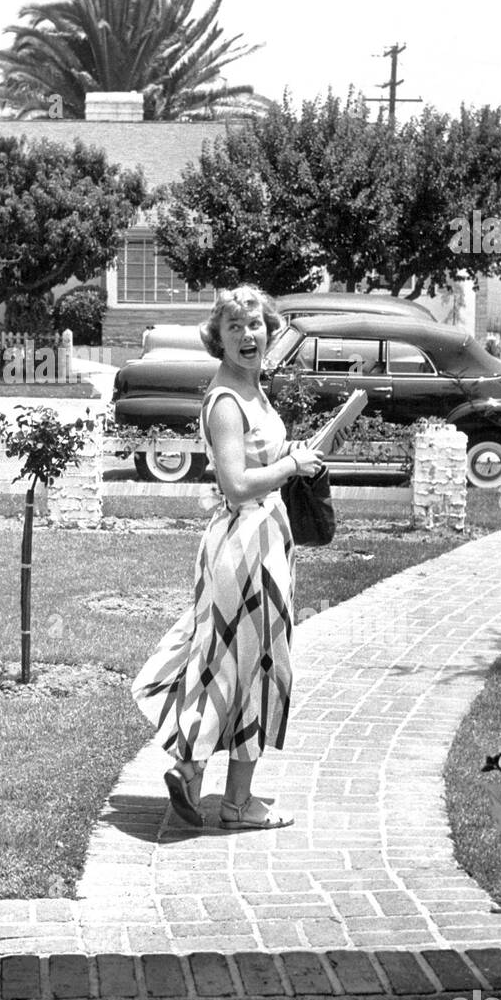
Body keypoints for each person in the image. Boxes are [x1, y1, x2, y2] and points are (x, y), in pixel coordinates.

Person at [131, 285, 324, 830]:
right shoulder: (226, 402)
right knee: (255, 664)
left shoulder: (252, 392)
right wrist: (290, 468)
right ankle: (230, 798)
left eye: (256, 325)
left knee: (236, 661)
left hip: (261, 540)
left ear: (271, 331)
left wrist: (291, 454)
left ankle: (196, 771)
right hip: (245, 545)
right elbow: (236, 484)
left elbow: (257, 460)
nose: (247, 335)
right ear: (218, 338)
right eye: (234, 327)